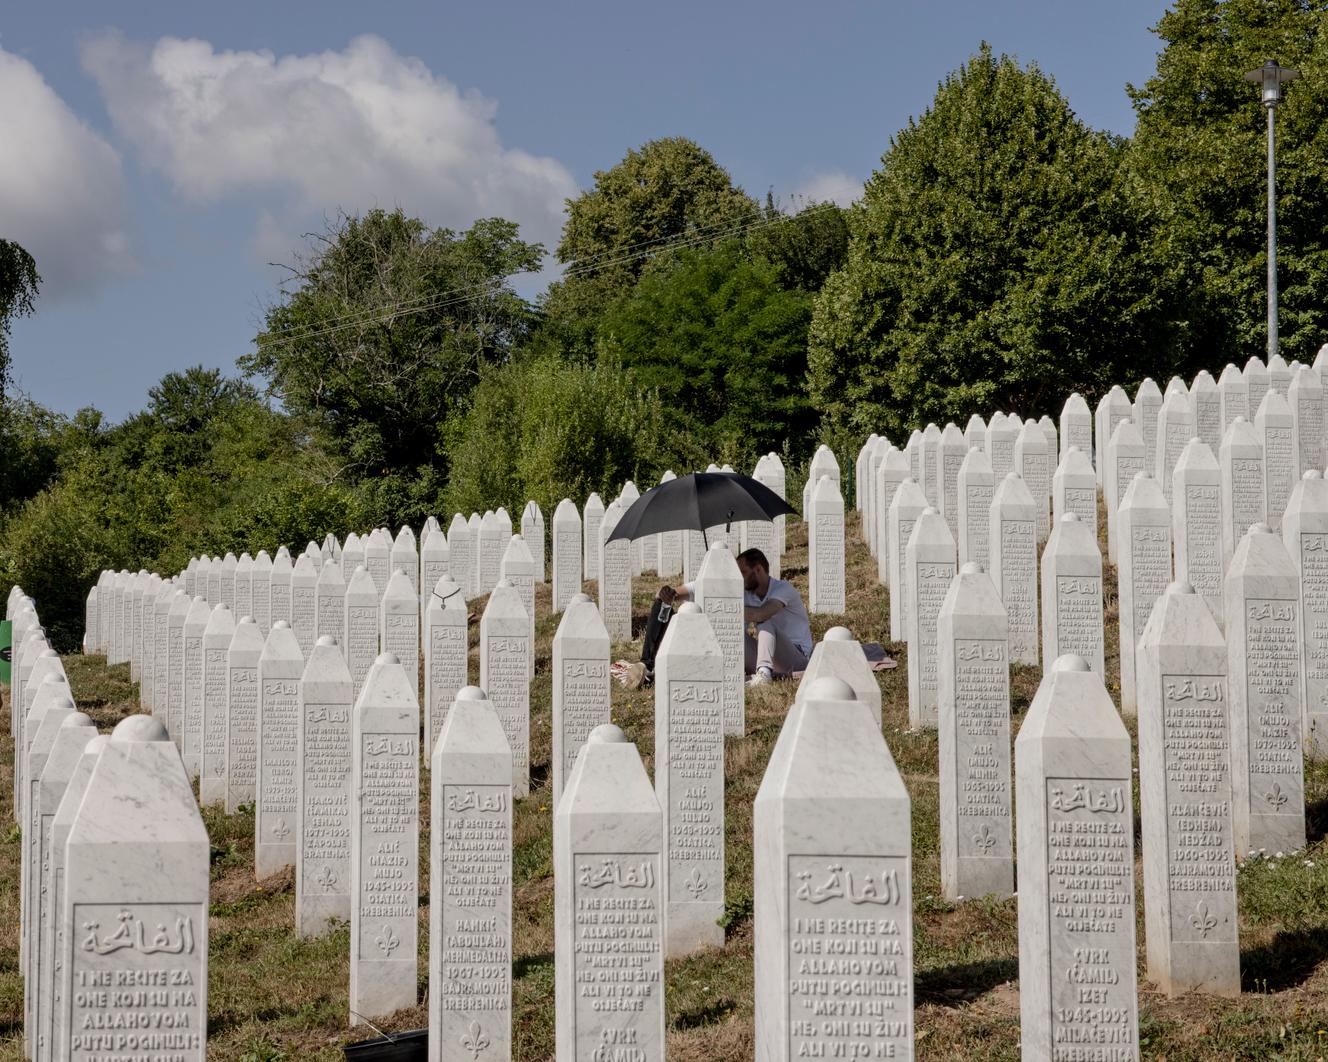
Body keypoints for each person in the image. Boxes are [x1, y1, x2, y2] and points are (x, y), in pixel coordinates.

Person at [624, 546, 811, 689]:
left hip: (795, 656)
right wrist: (668, 593)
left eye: (743, 572)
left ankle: (764, 674)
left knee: (765, 621)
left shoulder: (783, 589)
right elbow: (686, 591)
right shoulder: (745, 591)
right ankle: (656, 668)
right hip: (767, 653)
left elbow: (761, 614)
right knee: (726, 636)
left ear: (759, 570)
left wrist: (723, 605)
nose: (739, 577)